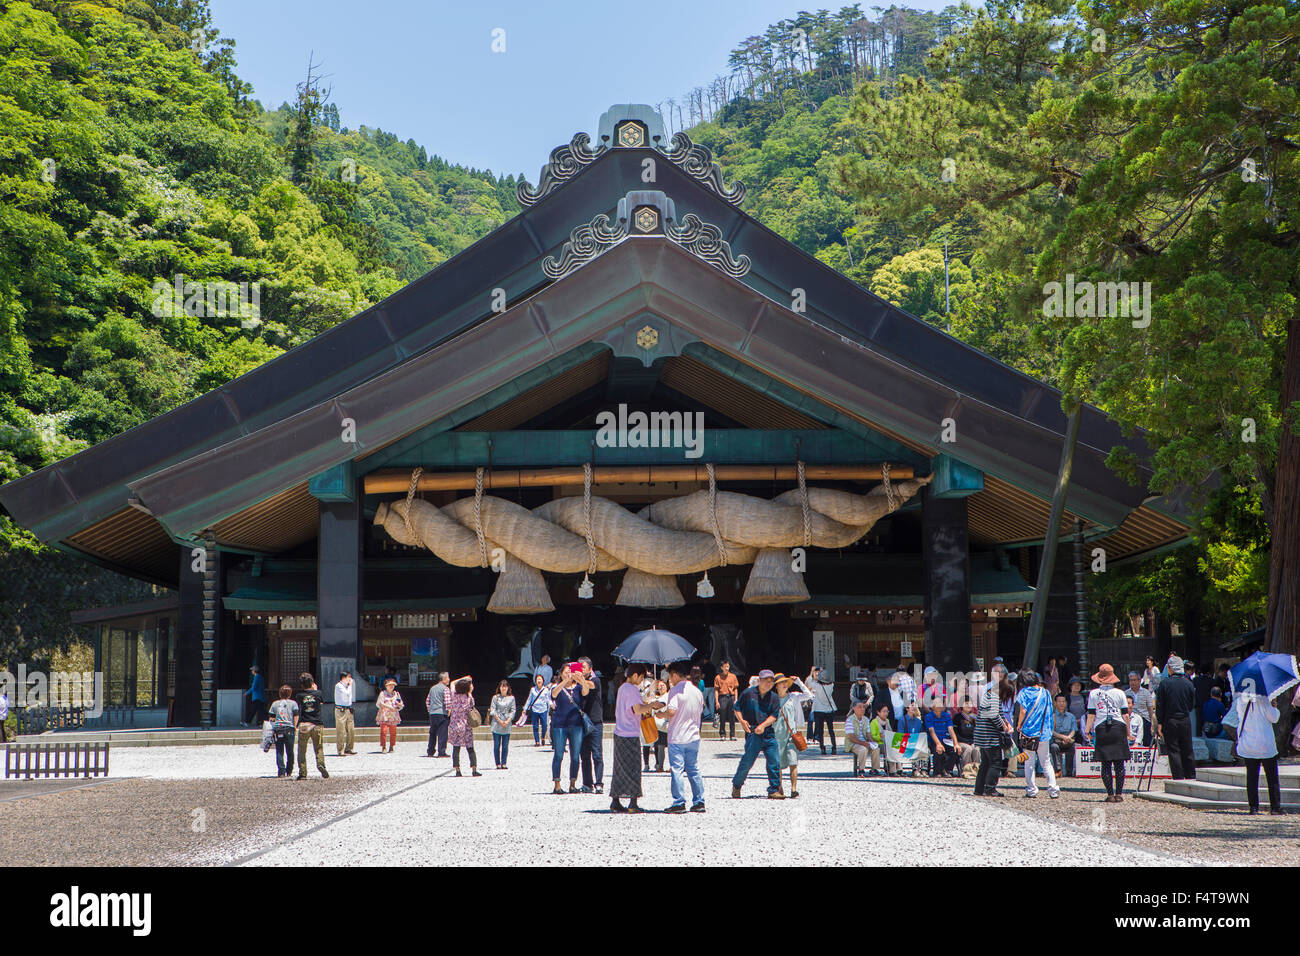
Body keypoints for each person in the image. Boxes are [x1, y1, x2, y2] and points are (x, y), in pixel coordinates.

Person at [610, 663, 662, 813]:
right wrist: (653, 705)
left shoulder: (622, 688)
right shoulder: (632, 689)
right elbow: (637, 709)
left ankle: (615, 800)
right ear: (634, 676)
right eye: (641, 677)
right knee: (634, 768)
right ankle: (633, 802)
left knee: (619, 768)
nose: (641, 680)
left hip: (619, 731)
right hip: (630, 733)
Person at [731, 669, 784, 799]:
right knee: (747, 762)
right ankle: (737, 785)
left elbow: (774, 716)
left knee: (774, 761)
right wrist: (742, 722)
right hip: (753, 733)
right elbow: (737, 708)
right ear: (759, 681)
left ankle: (774, 789)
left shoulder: (774, 697)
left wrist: (763, 725)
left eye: (771, 681)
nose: (769, 683)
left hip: (768, 732)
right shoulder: (748, 693)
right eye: (766, 681)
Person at [662, 660, 706, 812]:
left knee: (677, 770)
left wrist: (661, 713)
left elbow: (671, 711)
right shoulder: (697, 691)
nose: (669, 680)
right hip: (693, 735)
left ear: (674, 675)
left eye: (669, 676)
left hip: (678, 736)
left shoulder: (675, 690)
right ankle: (699, 801)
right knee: (693, 769)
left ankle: (679, 802)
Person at [1086, 663, 1134, 802]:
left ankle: (1109, 794)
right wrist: (1128, 731)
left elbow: (1091, 714)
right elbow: (1125, 715)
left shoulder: (1093, 693)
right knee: (1119, 763)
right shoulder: (1120, 693)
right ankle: (1119, 794)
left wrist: (1087, 730)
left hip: (1101, 727)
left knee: (1105, 763)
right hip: (1118, 726)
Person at [1234, 691, 1284, 815]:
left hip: (1249, 743)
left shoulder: (1241, 699)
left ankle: (1253, 807)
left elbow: (1239, 716)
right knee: (1272, 777)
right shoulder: (1264, 699)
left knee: (1251, 777)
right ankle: (1275, 806)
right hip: (1265, 744)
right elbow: (1274, 718)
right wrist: (1274, 707)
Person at [1015, 670, 1059, 799]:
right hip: (1043, 732)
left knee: (1029, 762)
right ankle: (1053, 790)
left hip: (1028, 732)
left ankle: (1032, 790)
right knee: (1046, 762)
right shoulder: (1045, 692)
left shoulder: (1023, 692)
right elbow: (1050, 711)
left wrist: (1019, 724)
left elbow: (1022, 711)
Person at [1155, 655, 1197, 780]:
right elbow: (1192, 704)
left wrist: (1160, 723)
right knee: (1187, 748)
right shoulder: (1188, 683)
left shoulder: (1164, 684)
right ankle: (1190, 776)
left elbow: (1160, 705)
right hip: (1185, 719)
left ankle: (1178, 777)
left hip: (1170, 720)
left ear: (1170, 668)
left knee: (1173, 750)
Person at [549, 664, 589, 794]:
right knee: (559, 754)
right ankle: (557, 784)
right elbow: (554, 695)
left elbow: (586, 692)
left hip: (576, 725)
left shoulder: (577, 688)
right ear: (561, 674)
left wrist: (581, 680)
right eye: (566, 672)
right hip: (560, 725)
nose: (568, 674)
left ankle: (573, 784)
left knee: (575, 756)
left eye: (570, 672)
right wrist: (565, 681)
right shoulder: (557, 687)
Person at [772, 673, 813, 798]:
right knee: (778, 764)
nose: (784, 684)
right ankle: (779, 787)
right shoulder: (772, 700)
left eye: (785, 682)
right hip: (777, 735)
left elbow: (809, 695)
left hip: (792, 734)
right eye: (781, 683)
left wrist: (799, 682)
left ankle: (794, 789)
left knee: (793, 762)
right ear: (776, 686)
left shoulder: (793, 697)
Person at [973, 669, 1012, 798]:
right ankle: (990, 789)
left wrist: (1006, 723)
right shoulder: (994, 696)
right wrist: (1003, 726)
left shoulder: (990, 694)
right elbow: (994, 715)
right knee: (995, 762)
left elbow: (999, 714)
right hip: (989, 736)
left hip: (982, 735)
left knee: (985, 763)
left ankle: (979, 789)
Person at [293, 673, 329, 780]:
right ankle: (320, 764)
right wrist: (315, 689)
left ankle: (303, 773)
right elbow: (321, 703)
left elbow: (298, 708)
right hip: (317, 724)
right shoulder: (318, 694)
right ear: (312, 683)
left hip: (304, 724)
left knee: (302, 749)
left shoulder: (299, 696)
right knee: (318, 747)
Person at [577, 658, 605, 794]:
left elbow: (589, 685)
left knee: (597, 754)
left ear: (590, 669)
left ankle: (599, 783)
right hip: (581, 722)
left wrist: (579, 679)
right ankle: (587, 783)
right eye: (579, 667)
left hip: (595, 722)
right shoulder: (576, 683)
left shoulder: (596, 680)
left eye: (583, 667)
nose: (581, 669)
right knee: (584, 755)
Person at [446, 676, 481, 777]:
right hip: (466, 726)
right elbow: (472, 707)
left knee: (456, 748)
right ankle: (474, 769)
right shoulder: (469, 698)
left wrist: (463, 678)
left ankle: (457, 770)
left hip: (455, 725)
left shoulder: (453, 695)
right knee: (470, 747)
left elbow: (452, 683)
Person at [267, 684, 298, 777]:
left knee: (279, 750)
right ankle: (289, 770)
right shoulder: (293, 703)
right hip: (289, 728)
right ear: (290, 693)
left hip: (278, 729)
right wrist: (295, 726)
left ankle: (281, 771)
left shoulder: (275, 704)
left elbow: (271, 717)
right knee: (290, 751)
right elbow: (296, 715)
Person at [808, 666, 838, 754]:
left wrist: (813, 672)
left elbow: (810, 681)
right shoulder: (831, 685)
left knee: (820, 731)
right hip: (829, 710)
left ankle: (822, 748)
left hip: (819, 710)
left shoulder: (816, 686)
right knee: (831, 730)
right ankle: (834, 747)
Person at [924, 699, 959, 777]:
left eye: (941, 703)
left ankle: (946, 770)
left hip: (945, 740)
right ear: (932, 706)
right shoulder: (929, 716)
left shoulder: (946, 716)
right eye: (937, 703)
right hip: (933, 741)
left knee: (955, 750)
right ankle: (937, 772)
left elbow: (951, 730)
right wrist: (938, 744)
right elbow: (931, 731)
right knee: (938, 750)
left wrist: (956, 743)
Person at [844, 699, 877, 777]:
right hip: (853, 743)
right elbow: (851, 737)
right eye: (859, 707)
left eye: (863, 707)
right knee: (863, 749)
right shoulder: (849, 720)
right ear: (854, 708)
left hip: (864, 741)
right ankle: (861, 770)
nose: (862, 709)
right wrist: (863, 743)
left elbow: (868, 734)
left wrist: (872, 742)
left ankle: (875, 769)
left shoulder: (866, 719)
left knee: (876, 748)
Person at [1050, 694, 1079, 777]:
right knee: (1054, 747)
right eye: (1059, 701)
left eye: (1063, 701)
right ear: (1055, 703)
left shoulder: (1071, 716)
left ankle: (1069, 771)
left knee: (1074, 747)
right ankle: (1058, 770)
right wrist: (1063, 737)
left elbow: (1074, 729)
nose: (1061, 703)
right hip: (1056, 740)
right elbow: (1051, 731)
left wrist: (1069, 737)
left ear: (1066, 703)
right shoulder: (1052, 716)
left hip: (1069, 740)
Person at [490, 680, 516, 770]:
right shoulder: (495, 698)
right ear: (499, 688)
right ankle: (497, 763)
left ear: (508, 687)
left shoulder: (512, 698)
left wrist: (508, 720)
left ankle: (504, 762)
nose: (503, 688)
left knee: (505, 745)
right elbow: (492, 710)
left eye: (505, 686)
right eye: (502, 686)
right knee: (496, 745)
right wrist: (499, 720)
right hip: (497, 723)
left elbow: (513, 710)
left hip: (507, 723)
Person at [644, 678, 669, 772]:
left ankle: (661, 766)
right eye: (660, 686)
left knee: (662, 745)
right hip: (656, 723)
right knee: (657, 745)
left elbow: (661, 705)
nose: (661, 687)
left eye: (663, 685)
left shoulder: (667, 696)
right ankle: (658, 765)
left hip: (663, 723)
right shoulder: (656, 697)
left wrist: (652, 704)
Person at [869, 702, 900, 775]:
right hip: (878, 743)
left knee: (896, 747)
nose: (886, 713)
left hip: (887, 743)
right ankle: (888, 770)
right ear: (878, 712)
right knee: (889, 749)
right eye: (884, 711)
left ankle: (897, 769)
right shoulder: (874, 722)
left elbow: (890, 732)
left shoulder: (887, 721)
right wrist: (880, 736)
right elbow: (872, 736)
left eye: (887, 711)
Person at [376, 677, 404, 754]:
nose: (391, 686)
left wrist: (399, 705)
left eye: (393, 685)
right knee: (383, 731)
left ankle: (392, 746)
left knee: (393, 732)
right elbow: (380, 703)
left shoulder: (397, 694)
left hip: (393, 715)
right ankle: (383, 746)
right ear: (386, 686)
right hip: (384, 714)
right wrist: (389, 707)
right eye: (389, 685)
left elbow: (401, 704)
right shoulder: (382, 693)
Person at [425, 672, 450, 758]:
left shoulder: (432, 688)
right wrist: (449, 711)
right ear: (443, 679)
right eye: (447, 678)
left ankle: (430, 751)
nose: (449, 679)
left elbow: (427, 701)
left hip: (433, 713)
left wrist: (430, 710)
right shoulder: (445, 689)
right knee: (442, 733)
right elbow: (447, 702)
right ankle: (441, 752)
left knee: (433, 733)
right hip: (442, 713)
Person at [713, 660, 740, 741]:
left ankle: (732, 734)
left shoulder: (733, 676)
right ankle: (722, 734)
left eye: (728, 666)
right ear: (722, 667)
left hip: (731, 697)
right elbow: (716, 690)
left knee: (732, 716)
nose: (727, 668)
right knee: (723, 716)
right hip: (722, 697)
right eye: (725, 667)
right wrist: (717, 701)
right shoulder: (718, 677)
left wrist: (736, 699)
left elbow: (735, 689)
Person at [1127, 671, 1155, 746]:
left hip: (1145, 719)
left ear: (1139, 680)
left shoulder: (1146, 692)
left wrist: (1152, 724)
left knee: (1147, 743)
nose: (1133, 682)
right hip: (1132, 720)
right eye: (1131, 680)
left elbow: (1150, 710)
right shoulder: (1126, 693)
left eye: (1135, 680)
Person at [522, 674, 550, 747]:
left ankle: (543, 737)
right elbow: (529, 699)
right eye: (537, 679)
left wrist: (551, 707)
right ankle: (537, 741)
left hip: (543, 710)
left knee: (544, 725)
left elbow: (548, 700)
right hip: (534, 710)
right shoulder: (532, 689)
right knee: (535, 726)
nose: (539, 680)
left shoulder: (546, 690)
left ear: (543, 681)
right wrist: (525, 708)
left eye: (540, 679)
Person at [334, 670, 357, 756]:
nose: (350, 679)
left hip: (349, 709)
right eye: (348, 677)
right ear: (343, 678)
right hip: (341, 710)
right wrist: (350, 686)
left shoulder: (347, 686)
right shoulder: (339, 686)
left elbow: (351, 696)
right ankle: (340, 750)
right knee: (341, 730)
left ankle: (349, 748)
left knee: (351, 729)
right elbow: (346, 694)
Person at [1191, 663, 1215, 736]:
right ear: (1209, 672)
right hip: (1208, 705)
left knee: (1198, 723)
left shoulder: (1195, 680)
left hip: (1198, 704)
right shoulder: (1211, 681)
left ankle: (1199, 737)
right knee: (1208, 722)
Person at [1066, 678, 1088, 744]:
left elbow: (1088, 710)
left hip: (1083, 724)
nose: (1077, 687)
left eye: (1078, 685)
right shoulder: (1067, 697)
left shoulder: (1084, 697)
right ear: (1070, 686)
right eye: (1075, 685)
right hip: (1070, 724)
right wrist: (1073, 720)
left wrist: (1081, 720)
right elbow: (1065, 711)